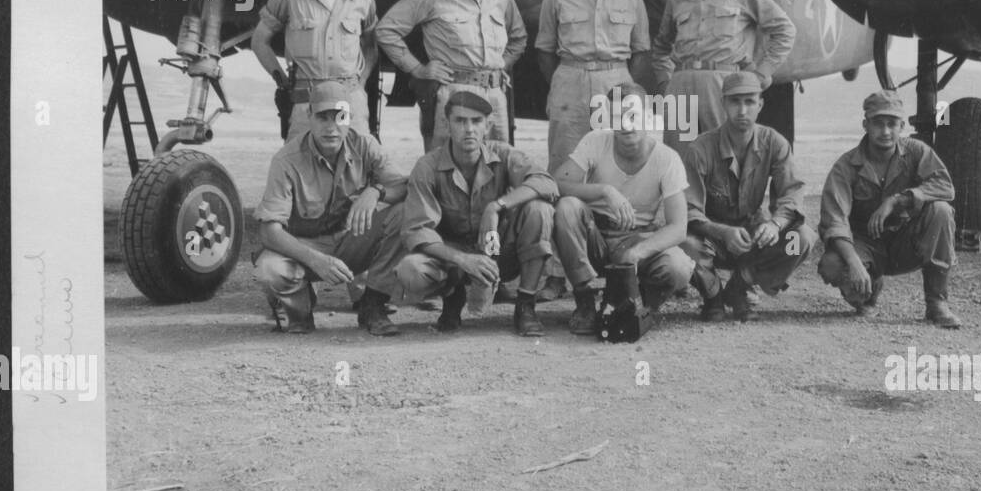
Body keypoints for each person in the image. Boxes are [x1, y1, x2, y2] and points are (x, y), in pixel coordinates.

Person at [534, 0, 650, 301]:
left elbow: (641, 51)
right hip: (569, 80)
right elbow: (545, 51)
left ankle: (627, 261)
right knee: (562, 173)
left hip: (616, 81)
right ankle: (554, 272)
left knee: (617, 167)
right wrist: (568, 83)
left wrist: (622, 86)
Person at [395, 90, 557, 336]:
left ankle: (526, 304)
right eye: (460, 121)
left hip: (497, 250)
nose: (469, 129)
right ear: (446, 125)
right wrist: (462, 260)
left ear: (488, 126)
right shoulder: (427, 166)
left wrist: (496, 206)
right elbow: (416, 231)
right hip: (452, 258)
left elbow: (546, 183)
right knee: (411, 269)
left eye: (476, 121)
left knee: (540, 209)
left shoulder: (503, 154)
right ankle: (452, 296)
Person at [252, 81, 407, 336]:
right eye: (323, 117)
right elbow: (269, 231)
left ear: (350, 118)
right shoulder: (286, 161)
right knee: (270, 269)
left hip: (350, 241)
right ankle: (299, 312)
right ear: (309, 116)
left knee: (402, 214)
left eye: (340, 117)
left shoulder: (365, 145)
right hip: (306, 248)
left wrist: (375, 191)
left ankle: (373, 305)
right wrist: (317, 260)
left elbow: (404, 186)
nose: (332, 127)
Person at [552, 83, 694, 334]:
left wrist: (639, 251)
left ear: (649, 117)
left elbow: (679, 227)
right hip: (597, 236)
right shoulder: (596, 141)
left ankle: (639, 306)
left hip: (638, 237)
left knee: (679, 267)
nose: (626, 124)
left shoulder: (667, 158)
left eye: (633, 115)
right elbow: (557, 184)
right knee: (567, 207)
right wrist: (604, 191)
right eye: (618, 116)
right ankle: (584, 301)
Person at [376, 0, 527, 153]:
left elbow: (519, 39)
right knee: (447, 172)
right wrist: (417, 69)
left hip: (495, 100)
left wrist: (501, 66)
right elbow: (387, 30)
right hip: (454, 96)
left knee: (497, 169)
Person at [817, 90, 962, 328]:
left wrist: (898, 200)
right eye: (878, 124)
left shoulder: (916, 151)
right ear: (866, 125)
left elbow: (945, 186)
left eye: (892, 124)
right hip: (865, 246)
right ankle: (867, 294)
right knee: (832, 265)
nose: (885, 131)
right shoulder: (846, 166)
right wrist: (854, 263)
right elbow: (834, 221)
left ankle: (937, 302)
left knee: (941, 211)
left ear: (902, 126)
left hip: (905, 242)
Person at [680, 72, 817, 322]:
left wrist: (774, 225)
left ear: (760, 105)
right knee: (684, 244)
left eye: (749, 102)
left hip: (755, 236)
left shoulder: (774, 142)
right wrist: (722, 232)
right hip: (712, 238)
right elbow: (689, 210)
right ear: (723, 104)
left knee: (802, 239)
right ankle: (713, 295)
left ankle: (742, 285)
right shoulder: (701, 149)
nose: (742, 110)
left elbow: (792, 192)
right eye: (735, 102)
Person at [651, 0, 796, 151]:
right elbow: (661, 47)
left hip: (722, 86)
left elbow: (785, 30)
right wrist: (665, 84)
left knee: (724, 157)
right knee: (679, 162)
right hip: (680, 86)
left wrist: (760, 74)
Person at [251, 0, 379, 144]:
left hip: (349, 100)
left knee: (356, 167)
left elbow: (371, 46)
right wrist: (281, 80)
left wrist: (360, 83)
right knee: (300, 170)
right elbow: (259, 41)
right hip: (306, 102)